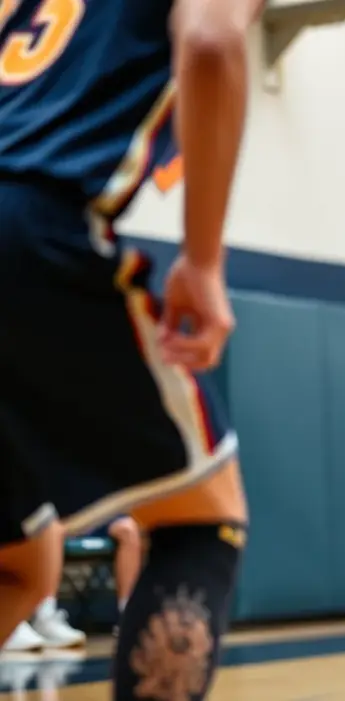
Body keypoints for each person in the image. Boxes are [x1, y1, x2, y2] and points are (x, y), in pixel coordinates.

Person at [0, 0, 263, 694]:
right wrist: (203, 261)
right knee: (203, 518)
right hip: (30, 223)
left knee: (23, 564)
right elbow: (209, 40)